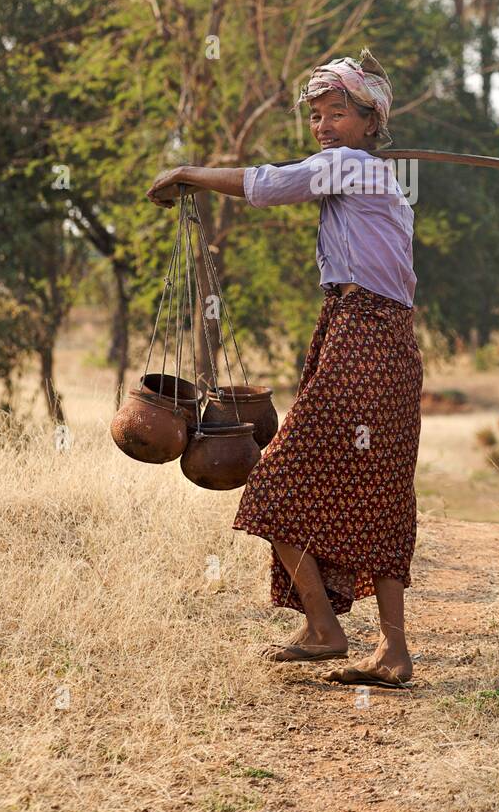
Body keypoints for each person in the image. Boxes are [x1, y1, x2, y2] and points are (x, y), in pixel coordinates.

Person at [146, 49, 423, 688]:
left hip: (362, 339)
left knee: (274, 482)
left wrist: (188, 172)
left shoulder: (350, 166)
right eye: (317, 117)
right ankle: (386, 647)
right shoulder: (370, 176)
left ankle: (331, 631)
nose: (324, 126)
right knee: (379, 489)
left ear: (368, 121)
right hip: (380, 341)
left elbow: (269, 186)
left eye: (338, 114)